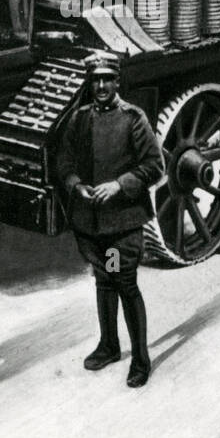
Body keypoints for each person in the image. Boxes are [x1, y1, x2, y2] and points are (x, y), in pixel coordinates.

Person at [56, 52, 165, 388]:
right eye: (95, 80)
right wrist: (76, 186)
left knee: (124, 282)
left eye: (107, 79)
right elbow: (64, 162)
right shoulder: (80, 119)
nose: (101, 86)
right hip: (91, 222)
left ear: (117, 81)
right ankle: (109, 346)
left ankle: (141, 359)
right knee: (104, 280)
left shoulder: (133, 119)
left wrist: (119, 185)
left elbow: (154, 167)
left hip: (121, 222)